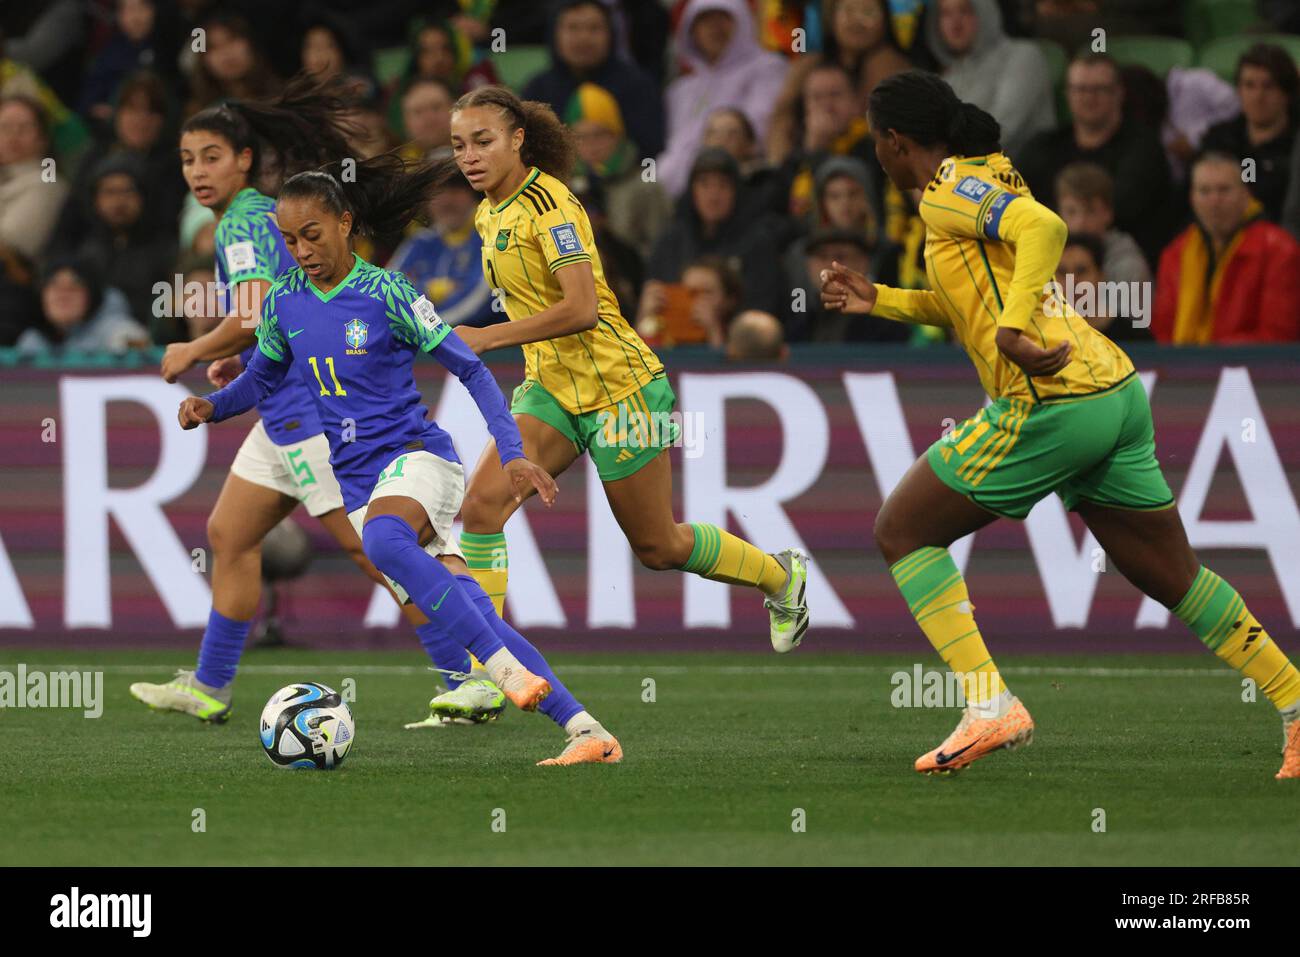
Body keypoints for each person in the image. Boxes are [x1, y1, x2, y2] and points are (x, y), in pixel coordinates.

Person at [820, 71, 1300, 779]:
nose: (878, 160)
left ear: (894, 143)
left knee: (901, 530)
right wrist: (883, 300)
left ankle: (989, 702)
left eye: (878, 145)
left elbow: (1045, 228)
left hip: (1050, 401)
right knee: (1174, 575)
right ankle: (1295, 700)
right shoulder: (988, 172)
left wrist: (1013, 332)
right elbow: (973, 299)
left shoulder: (948, 187)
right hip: (1112, 391)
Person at [176, 154, 623, 766]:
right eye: (289, 240)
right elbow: (260, 379)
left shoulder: (388, 293)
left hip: (419, 460)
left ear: (344, 222)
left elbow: (470, 367)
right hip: (358, 483)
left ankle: (492, 671)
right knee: (464, 601)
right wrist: (212, 405)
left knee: (386, 544)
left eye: (312, 234)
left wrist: (513, 453)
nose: (301, 250)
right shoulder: (282, 304)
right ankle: (585, 729)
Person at [130, 79, 507, 729]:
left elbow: (250, 311)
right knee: (229, 532)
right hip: (281, 409)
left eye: (211, 156)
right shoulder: (249, 220)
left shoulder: (246, 220)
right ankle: (212, 684)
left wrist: (193, 351)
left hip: (312, 416)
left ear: (244, 160)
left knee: (379, 552)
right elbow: (272, 315)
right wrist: (239, 359)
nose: (198, 171)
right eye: (188, 159)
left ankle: (472, 677)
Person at [447, 85, 809, 654]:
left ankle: (780, 576)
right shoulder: (488, 214)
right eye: (458, 144)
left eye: (482, 141)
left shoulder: (553, 206)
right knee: (481, 507)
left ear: (518, 140)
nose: (468, 155)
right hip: (551, 390)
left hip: (622, 388)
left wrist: (488, 337)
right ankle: (488, 672)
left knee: (658, 546)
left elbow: (581, 308)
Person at [1016, 53, 1173, 262]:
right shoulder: (1045, 145)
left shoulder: (1143, 147)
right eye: (1080, 89)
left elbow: (1121, 209)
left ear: (1119, 93)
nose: (1089, 97)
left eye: (1099, 89)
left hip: (1120, 266)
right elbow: (1012, 193)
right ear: (1067, 94)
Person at [1152, 151, 1300, 344]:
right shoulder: (1175, 253)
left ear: (1246, 194)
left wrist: (1211, 359)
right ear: (1192, 198)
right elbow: (1162, 332)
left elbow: (1278, 336)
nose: (1214, 201)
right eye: (1204, 191)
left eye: (1224, 190)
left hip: (1256, 370)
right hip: (1183, 370)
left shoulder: (1279, 251)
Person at [657, 0, 789, 198]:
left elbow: (758, 130)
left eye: (723, 18)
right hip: (677, 197)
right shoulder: (680, 90)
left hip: (740, 185)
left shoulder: (768, 68)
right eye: (705, 21)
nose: (714, 28)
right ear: (691, 30)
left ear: (742, 21)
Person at [925, 0, 1055, 158]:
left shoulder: (1022, 56)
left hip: (1023, 175)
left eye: (964, 11)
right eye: (946, 14)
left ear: (986, 13)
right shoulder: (951, 77)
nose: (955, 22)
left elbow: (1001, 129)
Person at [1201, 43, 1299, 223]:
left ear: (1286, 94)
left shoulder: (1294, 148)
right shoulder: (1218, 139)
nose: (1258, 96)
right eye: (1249, 85)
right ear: (1238, 91)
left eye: (1268, 86)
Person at [15, 255, 148, 355]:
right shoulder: (31, 340)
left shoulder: (108, 327)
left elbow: (131, 338)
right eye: (55, 286)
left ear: (92, 296)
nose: (63, 295)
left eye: (74, 287)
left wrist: (128, 344)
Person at [1053, 162, 1150, 286]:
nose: (1080, 222)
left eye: (1091, 211)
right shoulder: (1046, 255)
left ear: (1108, 213)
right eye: (1071, 212)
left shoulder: (1128, 266)